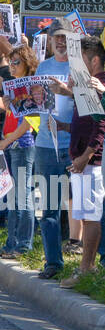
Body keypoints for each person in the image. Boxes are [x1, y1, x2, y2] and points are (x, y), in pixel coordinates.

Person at [59, 36, 105, 287]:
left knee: (91, 216)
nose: (75, 66)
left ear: (95, 60)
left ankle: (86, 268)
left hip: (92, 162)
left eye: (80, 60)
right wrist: (62, 126)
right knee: (84, 215)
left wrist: (87, 155)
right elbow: (83, 124)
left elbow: (102, 123)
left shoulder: (103, 83)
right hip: (80, 160)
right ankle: (86, 266)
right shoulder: (84, 84)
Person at [32, 21, 76, 278]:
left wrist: (65, 91)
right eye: (56, 37)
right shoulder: (42, 67)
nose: (60, 42)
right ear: (49, 41)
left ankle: (100, 263)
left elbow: (91, 100)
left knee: (87, 205)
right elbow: (35, 101)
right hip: (46, 144)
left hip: (75, 145)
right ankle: (53, 263)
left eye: (64, 37)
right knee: (49, 208)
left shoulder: (80, 65)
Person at [0, 45, 40, 259]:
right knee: (13, 195)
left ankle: (23, 245)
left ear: (28, 64)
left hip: (23, 144)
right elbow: (11, 116)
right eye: (11, 62)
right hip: (10, 143)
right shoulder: (11, 86)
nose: (12, 66)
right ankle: (11, 243)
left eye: (17, 62)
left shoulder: (33, 88)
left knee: (22, 196)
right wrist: (5, 104)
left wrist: (8, 141)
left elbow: (30, 122)